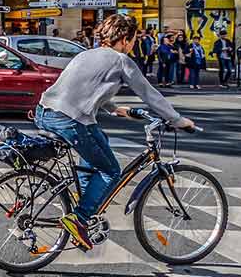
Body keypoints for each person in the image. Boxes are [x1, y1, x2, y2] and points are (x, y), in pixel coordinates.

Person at [36, 14, 194, 251]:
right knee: (111, 170)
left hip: (45, 112)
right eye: (133, 39)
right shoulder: (121, 61)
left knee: (100, 140)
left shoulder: (85, 53)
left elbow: (85, 87)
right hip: (70, 120)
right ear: (125, 39)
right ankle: (79, 218)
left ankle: (85, 201)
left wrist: (115, 109)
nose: (133, 44)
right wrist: (178, 120)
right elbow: (149, 94)